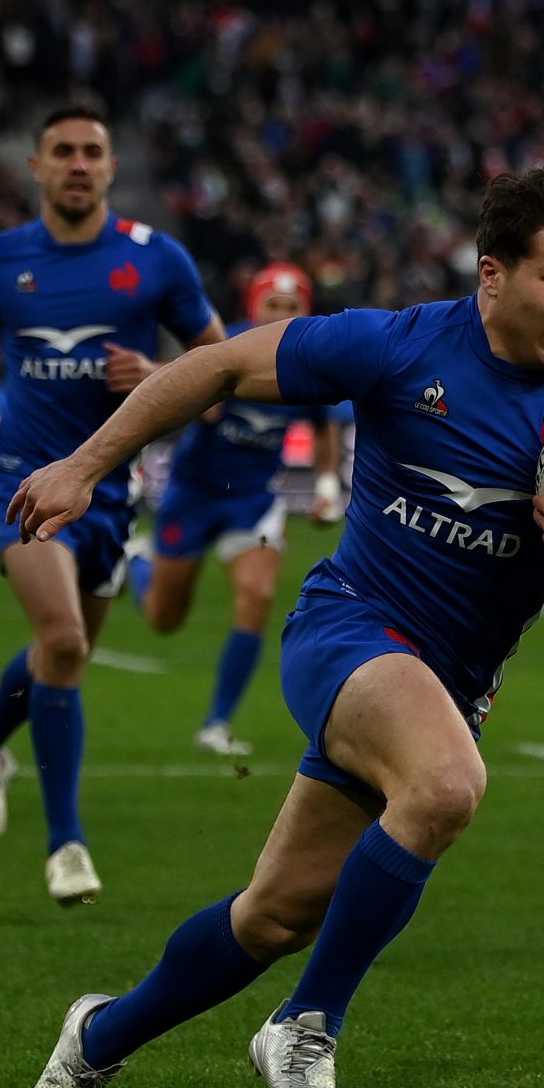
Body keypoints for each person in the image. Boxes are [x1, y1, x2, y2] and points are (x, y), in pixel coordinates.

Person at [5, 166, 544, 1088]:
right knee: (446, 787)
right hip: (347, 630)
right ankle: (307, 1026)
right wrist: (82, 465)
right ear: (492, 274)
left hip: (445, 684)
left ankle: (94, 1041)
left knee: (272, 919)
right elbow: (219, 367)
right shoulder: (398, 346)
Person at [0, 104, 225, 903]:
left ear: (113, 167)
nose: (79, 163)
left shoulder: (157, 262)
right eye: (63, 151)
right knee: (60, 639)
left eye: (93, 150)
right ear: (37, 167)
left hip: (111, 490)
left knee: (66, 652)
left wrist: (159, 375)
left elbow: (219, 373)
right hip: (20, 475)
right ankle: (66, 845)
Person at [124, 262, 346, 756]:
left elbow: (324, 424)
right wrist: (193, 396)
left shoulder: (314, 359)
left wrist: (328, 485)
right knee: (164, 616)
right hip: (195, 493)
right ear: (254, 307)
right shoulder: (227, 348)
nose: (283, 314)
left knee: (257, 594)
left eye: (293, 307)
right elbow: (175, 392)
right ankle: (136, 563)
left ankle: (217, 724)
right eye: (274, 304)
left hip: (254, 499)